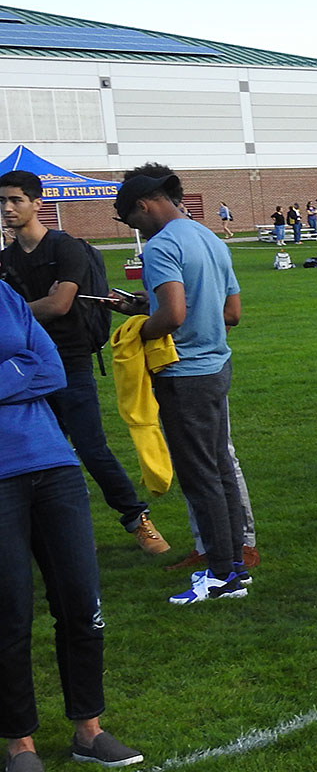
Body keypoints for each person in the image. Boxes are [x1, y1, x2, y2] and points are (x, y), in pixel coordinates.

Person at [1, 282, 145, 772]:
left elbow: (53, 368)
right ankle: (20, 743)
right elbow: (34, 369)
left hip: (53, 465)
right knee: (10, 613)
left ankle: (89, 731)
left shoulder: (5, 296)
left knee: (82, 604)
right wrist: (21, 372)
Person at [0, 171, 168, 555]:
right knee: (32, 455)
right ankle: (39, 537)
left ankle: (136, 518)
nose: (7, 209)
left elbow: (58, 306)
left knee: (91, 448)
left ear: (37, 203)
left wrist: (19, 312)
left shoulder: (65, 248)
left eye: (15, 200)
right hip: (23, 368)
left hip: (70, 362)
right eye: (1, 202)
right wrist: (36, 307)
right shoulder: (5, 260)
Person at [110, 164, 250, 604]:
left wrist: (136, 329)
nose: (136, 229)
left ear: (144, 205)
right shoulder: (208, 237)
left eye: (131, 220)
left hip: (182, 374)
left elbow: (172, 316)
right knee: (220, 469)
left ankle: (222, 575)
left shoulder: (161, 247)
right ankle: (235, 567)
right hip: (216, 367)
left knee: (199, 476)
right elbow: (231, 314)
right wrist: (143, 304)